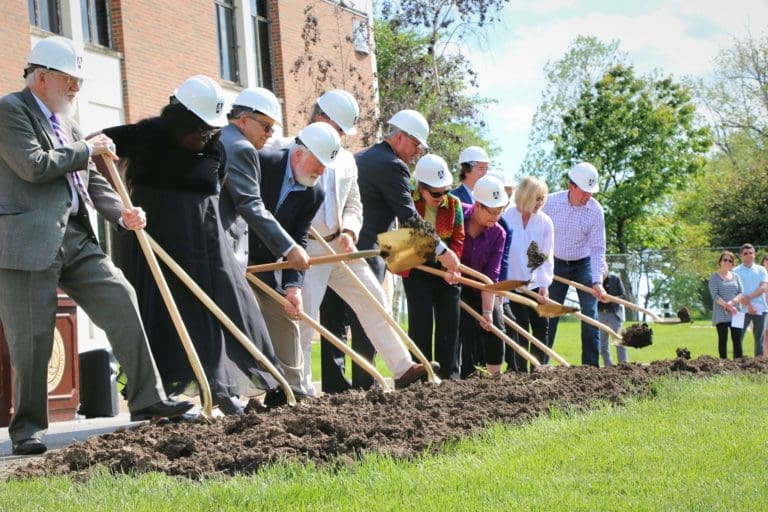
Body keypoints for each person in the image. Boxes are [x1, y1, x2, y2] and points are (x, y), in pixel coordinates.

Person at [0, 36, 193, 455]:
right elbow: (34, 167)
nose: (75, 89)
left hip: (75, 236)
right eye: (69, 80)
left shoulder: (66, 123)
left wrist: (122, 212)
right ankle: (27, 429)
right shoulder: (9, 110)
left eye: (79, 82)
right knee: (32, 339)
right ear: (41, 76)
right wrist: (87, 147)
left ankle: (147, 400)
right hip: (26, 243)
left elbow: (88, 179)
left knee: (121, 295)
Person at [105, 75, 281, 416]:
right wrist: (117, 204)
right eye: (199, 127)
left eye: (211, 129)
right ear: (180, 116)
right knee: (160, 316)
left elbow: (218, 185)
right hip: (157, 240)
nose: (204, 136)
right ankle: (150, 399)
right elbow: (93, 148)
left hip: (206, 242)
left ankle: (221, 388)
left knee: (221, 311)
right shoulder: (145, 136)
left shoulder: (215, 146)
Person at [293, 92, 437, 393]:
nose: (343, 137)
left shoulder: (348, 159)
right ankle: (300, 387)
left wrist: (349, 230)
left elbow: (354, 205)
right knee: (306, 318)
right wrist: (438, 252)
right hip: (308, 247)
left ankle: (402, 368)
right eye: (340, 129)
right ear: (321, 119)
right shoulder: (291, 151)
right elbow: (406, 215)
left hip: (344, 246)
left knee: (375, 301)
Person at [353, 109, 460, 388]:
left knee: (345, 320)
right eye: (415, 145)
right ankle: (367, 385)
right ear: (400, 138)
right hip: (366, 250)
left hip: (352, 245)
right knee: (372, 316)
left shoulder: (362, 157)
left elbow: (391, 218)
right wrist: (443, 253)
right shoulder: (392, 165)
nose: (416, 153)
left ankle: (344, 388)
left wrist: (408, 260)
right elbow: (409, 217)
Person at [246, 122, 338, 401]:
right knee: (240, 317)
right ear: (299, 154)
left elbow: (297, 238)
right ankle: (238, 392)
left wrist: (293, 286)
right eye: (319, 163)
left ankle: (290, 390)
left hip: (266, 263)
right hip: (231, 255)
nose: (321, 172)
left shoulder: (314, 192)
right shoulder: (262, 163)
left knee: (285, 314)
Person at [218, 86, 310, 274]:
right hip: (222, 252)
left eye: (272, 128)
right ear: (244, 120)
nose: (269, 133)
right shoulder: (241, 147)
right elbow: (250, 203)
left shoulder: (219, 136)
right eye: (266, 126)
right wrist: (289, 248)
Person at [401, 154, 464, 379]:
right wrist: (432, 256)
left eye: (445, 191)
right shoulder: (407, 201)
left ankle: (449, 377)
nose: (441, 197)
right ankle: (421, 375)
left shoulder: (454, 205)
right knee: (421, 323)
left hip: (446, 270)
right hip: (417, 269)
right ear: (422, 189)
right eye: (435, 193)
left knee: (449, 323)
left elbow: (457, 238)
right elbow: (403, 237)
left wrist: (451, 265)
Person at [543, 162, 606, 367]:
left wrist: (597, 281)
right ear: (572, 186)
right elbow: (537, 234)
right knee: (550, 313)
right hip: (555, 263)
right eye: (584, 191)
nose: (588, 196)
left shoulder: (595, 211)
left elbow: (597, 248)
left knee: (590, 313)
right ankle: (541, 363)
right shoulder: (550, 203)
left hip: (583, 263)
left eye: (591, 191)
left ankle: (590, 367)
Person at [501, 176, 553, 372]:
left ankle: (538, 369)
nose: (540, 203)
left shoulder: (545, 222)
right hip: (512, 286)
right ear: (525, 197)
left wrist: (543, 285)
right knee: (520, 328)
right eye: (536, 198)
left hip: (535, 285)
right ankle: (519, 371)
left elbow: (546, 256)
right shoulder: (507, 218)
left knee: (542, 328)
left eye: (543, 198)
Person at [458, 176, 508, 377]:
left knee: (496, 325)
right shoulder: (457, 214)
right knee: (464, 327)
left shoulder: (499, 234)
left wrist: (487, 311)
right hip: (453, 283)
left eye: (500, 212)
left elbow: (491, 275)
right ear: (478, 205)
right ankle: (463, 375)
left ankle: (495, 378)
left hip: (481, 287)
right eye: (491, 212)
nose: (495, 217)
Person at [733, 243, 768, 357]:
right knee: (738, 338)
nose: (748, 255)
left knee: (760, 340)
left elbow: (763, 287)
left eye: (751, 253)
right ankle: (736, 364)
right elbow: (735, 291)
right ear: (741, 256)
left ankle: (758, 365)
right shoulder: (735, 271)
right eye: (745, 253)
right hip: (739, 310)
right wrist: (748, 305)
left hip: (761, 309)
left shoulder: (762, 270)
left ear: (754, 255)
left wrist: (749, 298)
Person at [708, 251, 744, 359]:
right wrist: (728, 306)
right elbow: (715, 296)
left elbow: (741, 293)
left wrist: (733, 303)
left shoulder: (736, 276)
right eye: (725, 260)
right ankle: (724, 364)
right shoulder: (714, 277)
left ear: (732, 264)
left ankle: (739, 362)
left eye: (730, 260)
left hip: (736, 311)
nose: (727, 262)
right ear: (720, 262)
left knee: (737, 339)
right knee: (723, 340)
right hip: (721, 313)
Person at [598, 265, 629, 366]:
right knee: (602, 345)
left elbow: (624, 296)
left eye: (604, 270)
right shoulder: (594, 281)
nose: (602, 272)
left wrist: (611, 298)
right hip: (600, 314)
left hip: (614, 314)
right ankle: (608, 366)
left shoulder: (615, 279)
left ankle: (623, 365)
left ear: (607, 269)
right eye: (599, 270)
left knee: (619, 342)